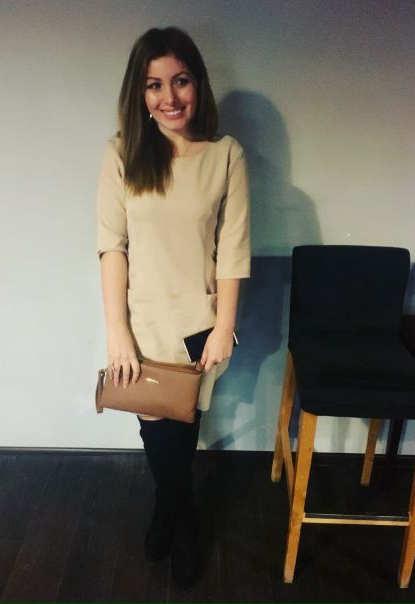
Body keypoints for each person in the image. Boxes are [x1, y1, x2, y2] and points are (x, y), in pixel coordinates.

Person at [97, 26, 250, 590]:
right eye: (154, 84)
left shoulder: (226, 155)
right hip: (141, 326)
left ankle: (169, 511)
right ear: (139, 93)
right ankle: (182, 518)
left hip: (199, 326)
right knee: (156, 435)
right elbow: (111, 246)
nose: (169, 96)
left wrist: (224, 327)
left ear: (198, 83)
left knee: (181, 433)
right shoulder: (122, 154)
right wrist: (117, 332)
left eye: (180, 80)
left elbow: (232, 250)